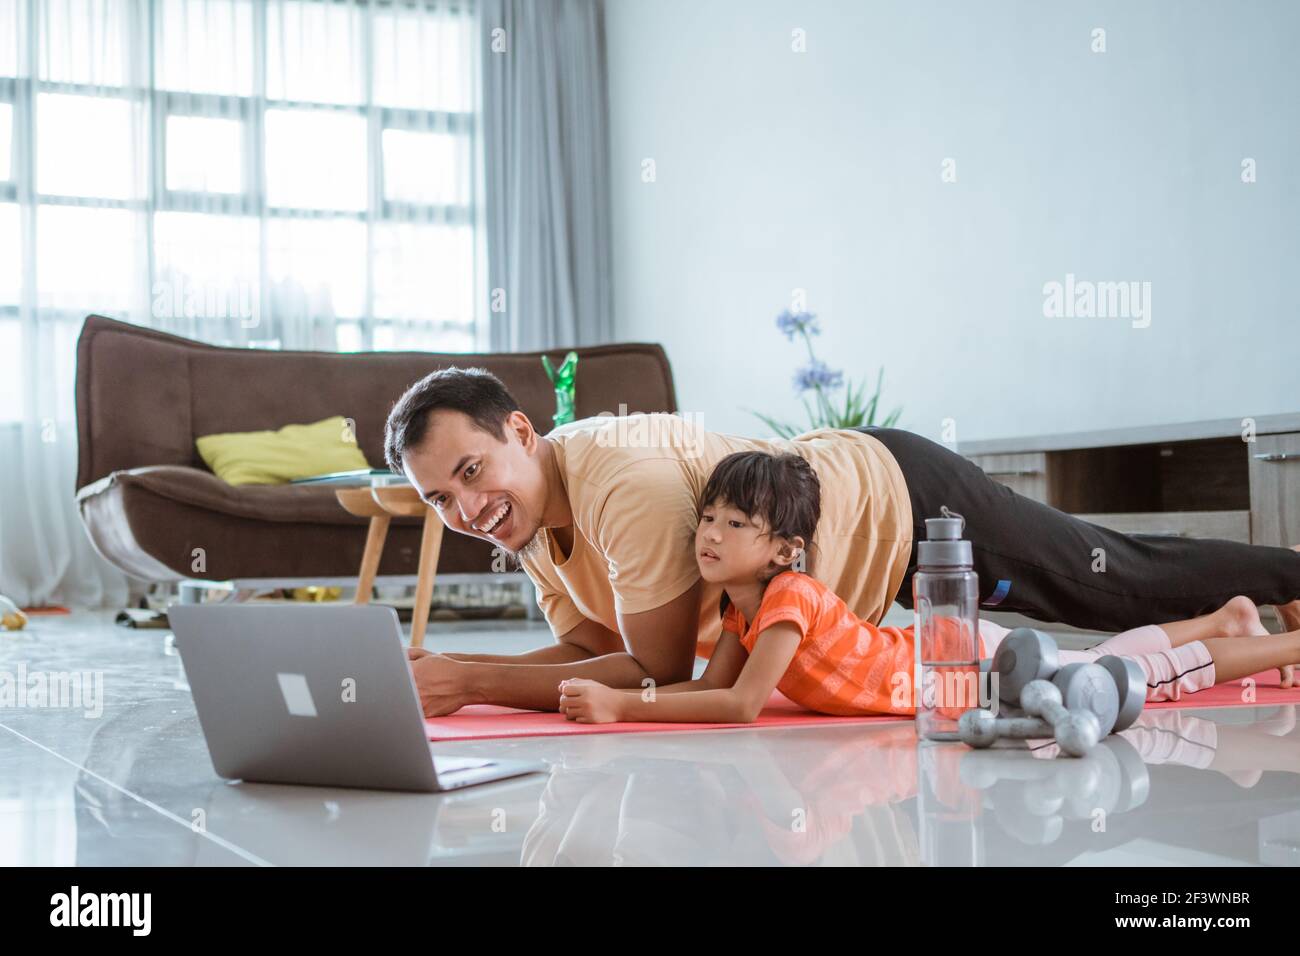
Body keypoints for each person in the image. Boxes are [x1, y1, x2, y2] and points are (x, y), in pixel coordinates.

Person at [384, 367, 1300, 716]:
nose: (465, 507)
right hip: (862, 517)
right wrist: (456, 675)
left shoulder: (620, 481)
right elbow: (589, 646)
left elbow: (654, 668)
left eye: (470, 472)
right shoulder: (533, 526)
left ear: (518, 432)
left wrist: (466, 679)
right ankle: (1231, 615)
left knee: (1115, 586)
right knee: (1116, 591)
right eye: (438, 498)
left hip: (898, 500)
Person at [557, 451, 1300, 724]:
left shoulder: (788, 597)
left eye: (736, 524)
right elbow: (709, 686)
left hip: (959, 665)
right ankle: (1223, 618)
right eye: (708, 519)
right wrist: (641, 702)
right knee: (1100, 658)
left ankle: (1280, 641)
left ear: (785, 549)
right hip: (952, 661)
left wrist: (625, 704)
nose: (711, 536)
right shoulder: (736, 607)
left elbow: (743, 705)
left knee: (1122, 677)